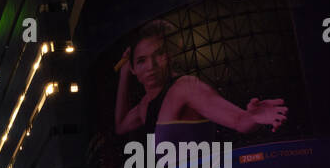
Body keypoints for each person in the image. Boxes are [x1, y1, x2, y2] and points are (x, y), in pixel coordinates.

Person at [115, 18, 287, 142]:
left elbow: (239, 121)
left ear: (170, 56)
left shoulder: (185, 87)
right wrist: (124, 73)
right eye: (141, 61)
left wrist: (253, 117)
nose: (151, 66)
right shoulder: (145, 104)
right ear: (133, 69)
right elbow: (120, 126)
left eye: (158, 54)